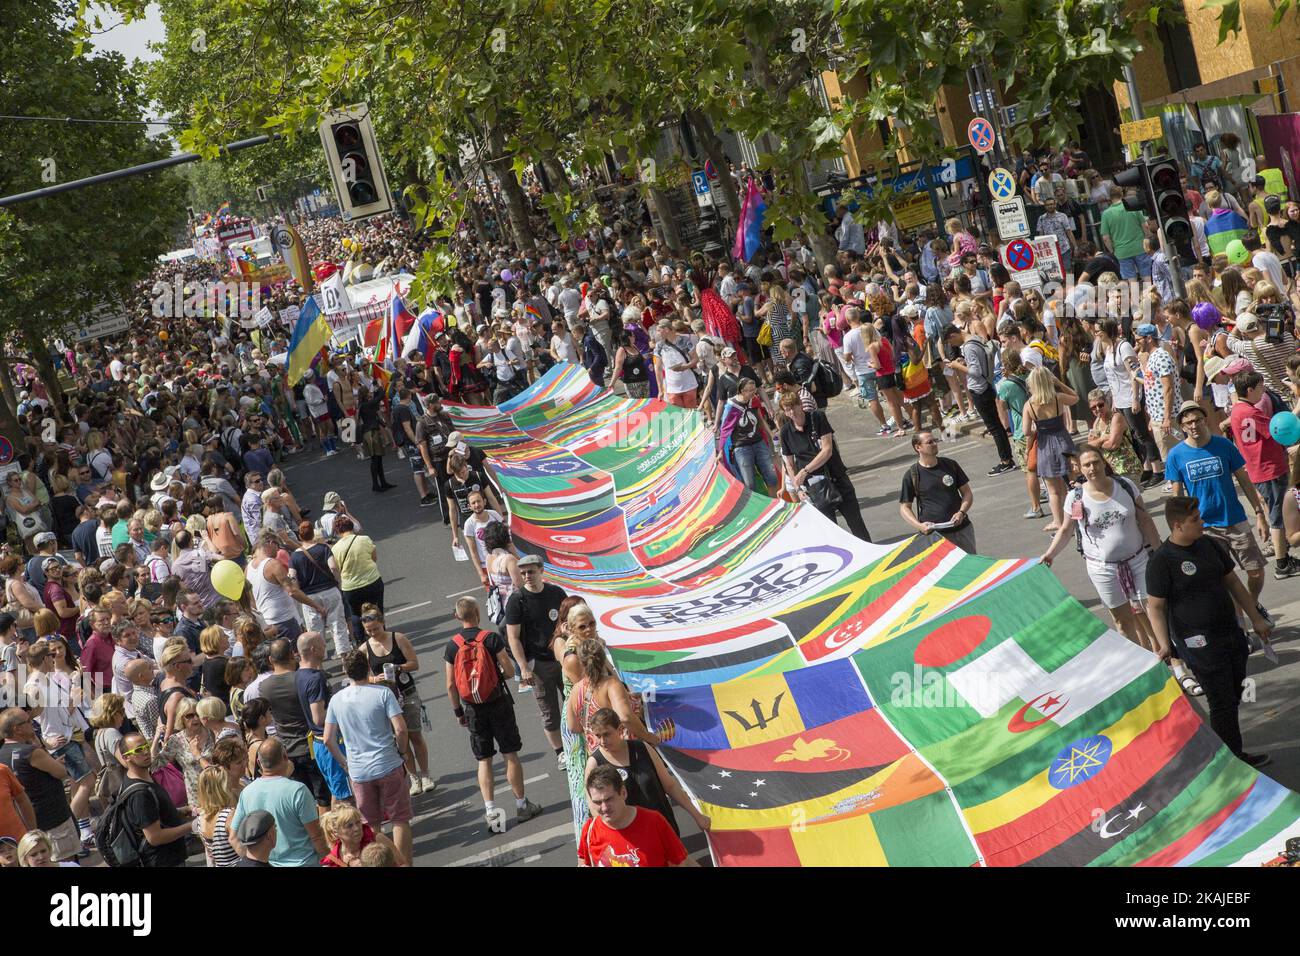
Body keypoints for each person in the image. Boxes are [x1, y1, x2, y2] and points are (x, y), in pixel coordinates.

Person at [1146, 497, 1273, 767]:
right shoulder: (1162, 561)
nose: (1202, 522)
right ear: (1177, 525)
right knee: (1221, 700)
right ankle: (1231, 760)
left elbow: (1234, 583)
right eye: (1195, 520)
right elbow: (1155, 607)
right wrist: (1164, 644)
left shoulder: (1210, 545)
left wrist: (1255, 618)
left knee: (1234, 691)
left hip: (1230, 633)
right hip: (1198, 644)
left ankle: (1227, 750)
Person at [444, 597, 542, 828]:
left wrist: (459, 712)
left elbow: (450, 684)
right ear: (477, 612)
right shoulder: (490, 638)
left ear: (458, 616)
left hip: (473, 709)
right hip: (498, 703)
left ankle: (492, 814)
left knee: (484, 760)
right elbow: (508, 670)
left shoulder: (452, 645)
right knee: (510, 754)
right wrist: (497, 676)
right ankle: (521, 805)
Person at [1165, 400, 1270, 614]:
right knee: (1224, 580)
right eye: (1188, 423)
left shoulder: (1223, 445)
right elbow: (1177, 496)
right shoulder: (1176, 455)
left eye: (1197, 420)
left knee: (1256, 571)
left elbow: (1244, 480)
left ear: (1205, 420)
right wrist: (1178, 530)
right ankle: (1240, 625)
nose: (1194, 426)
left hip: (1234, 518)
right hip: (1204, 527)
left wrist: (1259, 513)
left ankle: (1251, 604)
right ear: (1182, 427)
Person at [322, 649, 414, 863]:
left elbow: (328, 739)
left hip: (359, 772)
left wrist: (345, 763)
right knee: (400, 819)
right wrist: (401, 752)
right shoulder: (382, 693)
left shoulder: (336, 700)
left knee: (369, 827)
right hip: (388, 764)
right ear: (368, 668)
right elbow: (400, 730)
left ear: (346, 672)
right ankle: (403, 863)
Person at [584, 708, 709, 836]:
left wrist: (697, 815)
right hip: (630, 837)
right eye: (598, 736)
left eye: (607, 734)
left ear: (620, 729)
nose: (602, 741)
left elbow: (670, 786)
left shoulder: (642, 748)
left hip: (661, 827)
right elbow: (594, 807)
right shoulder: (595, 763)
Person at [777, 391, 871, 541]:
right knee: (831, 531)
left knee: (856, 524)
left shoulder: (817, 418)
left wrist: (805, 471)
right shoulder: (786, 432)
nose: (791, 412)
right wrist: (798, 488)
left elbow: (827, 450)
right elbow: (789, 463)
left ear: (801, 405)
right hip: (816, 486)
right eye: (787, 409)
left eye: (793, 407)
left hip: (836, 478)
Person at [359, 604, 433, 794]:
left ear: (383, 623)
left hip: (407, 692)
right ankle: (414, 778)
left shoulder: (398, 638)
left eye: (376, 628)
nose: (373, 633)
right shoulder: (364, 649)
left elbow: (414, 663)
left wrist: (398, 667)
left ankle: (425, 775)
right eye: (369, 631)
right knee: (402, 738)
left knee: (415, 734)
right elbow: (358, 676)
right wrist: (374, 679)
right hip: (384, 699)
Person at [504, 553, 569, 767]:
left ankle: (581, 741)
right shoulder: (517, 600)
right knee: (549, 711)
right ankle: (560, 752)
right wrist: (523, 667)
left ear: (542, 571)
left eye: (531, 571)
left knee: (575, 701)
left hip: (563, 658)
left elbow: (569, 621)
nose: (527, 576)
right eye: (523, 573)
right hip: (538, 665)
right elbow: (513, 638)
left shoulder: (556, 593)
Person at [258, 637, 332, 808]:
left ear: (270, 660)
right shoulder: (302, 679)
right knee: (324, 798)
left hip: (287, 750)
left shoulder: (264, 687)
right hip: (312, 746)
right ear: (293, 655)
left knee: (303, 800)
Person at [231, 736, 328, 866]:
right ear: (285, 757)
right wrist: (329, 860)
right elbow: (316, 836)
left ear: (259, 762)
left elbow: (233, 837)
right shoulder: (298, 791)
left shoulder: (247, 792)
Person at [0, 707, 81, 862]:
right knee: (67, 862)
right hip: (55, 821)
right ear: (17, 729)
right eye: (28, 722)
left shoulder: (2, 754)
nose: (32, 724)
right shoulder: (31, 752)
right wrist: (47, 756)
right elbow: (61, 772)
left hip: (31, 825)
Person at [578, 764, 695, 867]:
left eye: (609, 799)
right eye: (597, 802)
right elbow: (583, 861)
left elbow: (682, 862)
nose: (604, 808)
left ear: (623, 793)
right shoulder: (590, 830)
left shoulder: (653, 822)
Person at [946, 324, 1017, 475]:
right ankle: (1007, 459)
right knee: (996, 426)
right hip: (987, 386)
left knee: (994, 427)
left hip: (980, 389)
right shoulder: (975, 339)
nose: (952, 345)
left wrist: (957, 365)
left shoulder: (968, 347)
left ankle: (1006, 461)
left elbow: (976, 372)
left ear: (953, 335)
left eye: (950, 342)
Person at [117, 730, 194, 867]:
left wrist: (180, 811)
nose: (146, 752)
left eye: (146, 746)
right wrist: (192, 826)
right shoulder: (139, 794)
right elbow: (154, 837)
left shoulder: (144, 776)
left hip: (172, 856)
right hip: (163, 861)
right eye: (139, 750)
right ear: (126, 757)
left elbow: (153, 814)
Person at [898, 430, 976, 552]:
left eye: (935, 440)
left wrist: (961, 512)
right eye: (929, 442)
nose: (934, 444)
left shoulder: (950, 465)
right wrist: (919, 526)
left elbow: (967, 493)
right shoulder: (912, 474)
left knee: (972, 566)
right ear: (918, 447)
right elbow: (904, 508)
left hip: (962, 530)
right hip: (935, 535)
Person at [1022, 367, 1078, 532]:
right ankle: (1077, 518)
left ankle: (1059, 523)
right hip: (1063, 441)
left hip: (1045, 445)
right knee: (1073, 485)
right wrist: (1059, 382)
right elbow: (1075, 397)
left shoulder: (1029, 405)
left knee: (1053, 491)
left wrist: (1038, 430)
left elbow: (1026, 431)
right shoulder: (1058, 397)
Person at [292, 522, 352, 658]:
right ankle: (345, 660)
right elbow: (333, 567)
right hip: (329, 590)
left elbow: (293, 577)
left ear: (299, 537)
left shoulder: (295, 556)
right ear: (313, 534)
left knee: (315, 632)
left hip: (309, 597)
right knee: (338, 626)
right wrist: (338, 582)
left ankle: (319, 662)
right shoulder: (323, 549)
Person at [716, 376, 780, 493]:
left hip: (758, 442)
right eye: (749, 391)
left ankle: (776, 502)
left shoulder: (754, 400)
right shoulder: (731, 406)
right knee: (748, 482)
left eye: (754, 389)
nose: (753, 393)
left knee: (772, 476)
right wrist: (721, 451)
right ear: (741, 391)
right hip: (741, 447)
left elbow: (760, 419)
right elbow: (725, 429)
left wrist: (771, 434)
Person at [331, 515, 384, 643]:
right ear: (351, 526)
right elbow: (374, 557)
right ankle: (382, 636)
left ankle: (361, 643)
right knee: (377, 609)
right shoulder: (364, 539)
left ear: (338, 531)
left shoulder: (335, 548)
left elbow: (335, 567)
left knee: (355, 614)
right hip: (372, 581)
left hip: (350, 587)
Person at [320, 804, 408, 867]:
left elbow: (403, 864)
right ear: (335, 832)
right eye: (349, 826)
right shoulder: (333, 862)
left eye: (358, 822)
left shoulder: (377, 839)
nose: (356, 828)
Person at [653, 319, 701, 408]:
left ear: (667, 329)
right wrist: (660, 390)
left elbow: (695, 359)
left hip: (689, 385)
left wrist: (685, 367)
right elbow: (658, 369)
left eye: (659, 330)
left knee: (691, 414)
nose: (657, 333)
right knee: (679, 416)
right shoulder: (659, 346)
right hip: (672, 388)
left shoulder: (684, 340)